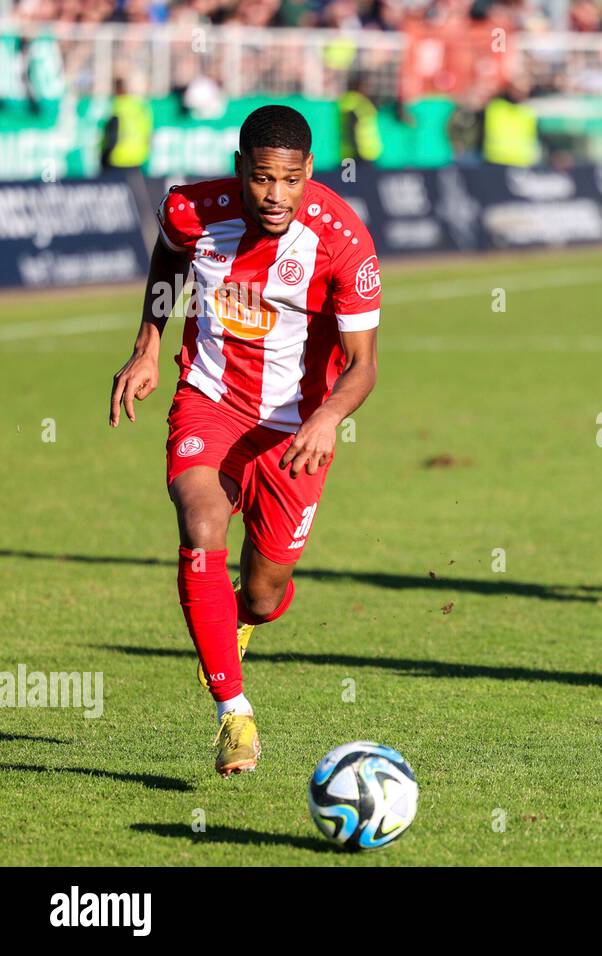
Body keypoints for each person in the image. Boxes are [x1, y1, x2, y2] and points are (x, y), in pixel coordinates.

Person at [108, 105, 382, 775]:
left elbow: (364, 363)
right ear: (240, 170)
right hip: (210, 402)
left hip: (295, 432)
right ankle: (234, 714)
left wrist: (326, 419)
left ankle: (244, 623)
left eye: (290, 180)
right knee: (201, 523)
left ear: (309, 172)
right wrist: (148, 345)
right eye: (262, 179)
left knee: (261, 592)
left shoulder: (341, 237)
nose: (275, 195)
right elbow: (169, 260)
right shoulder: (190, 211)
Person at [100, 77, 153, 172]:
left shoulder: (116, 105)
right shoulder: (143, 108)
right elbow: (148, 137)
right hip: (137, 160)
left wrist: (104, 158)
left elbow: (111, 136)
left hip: (117, 160)